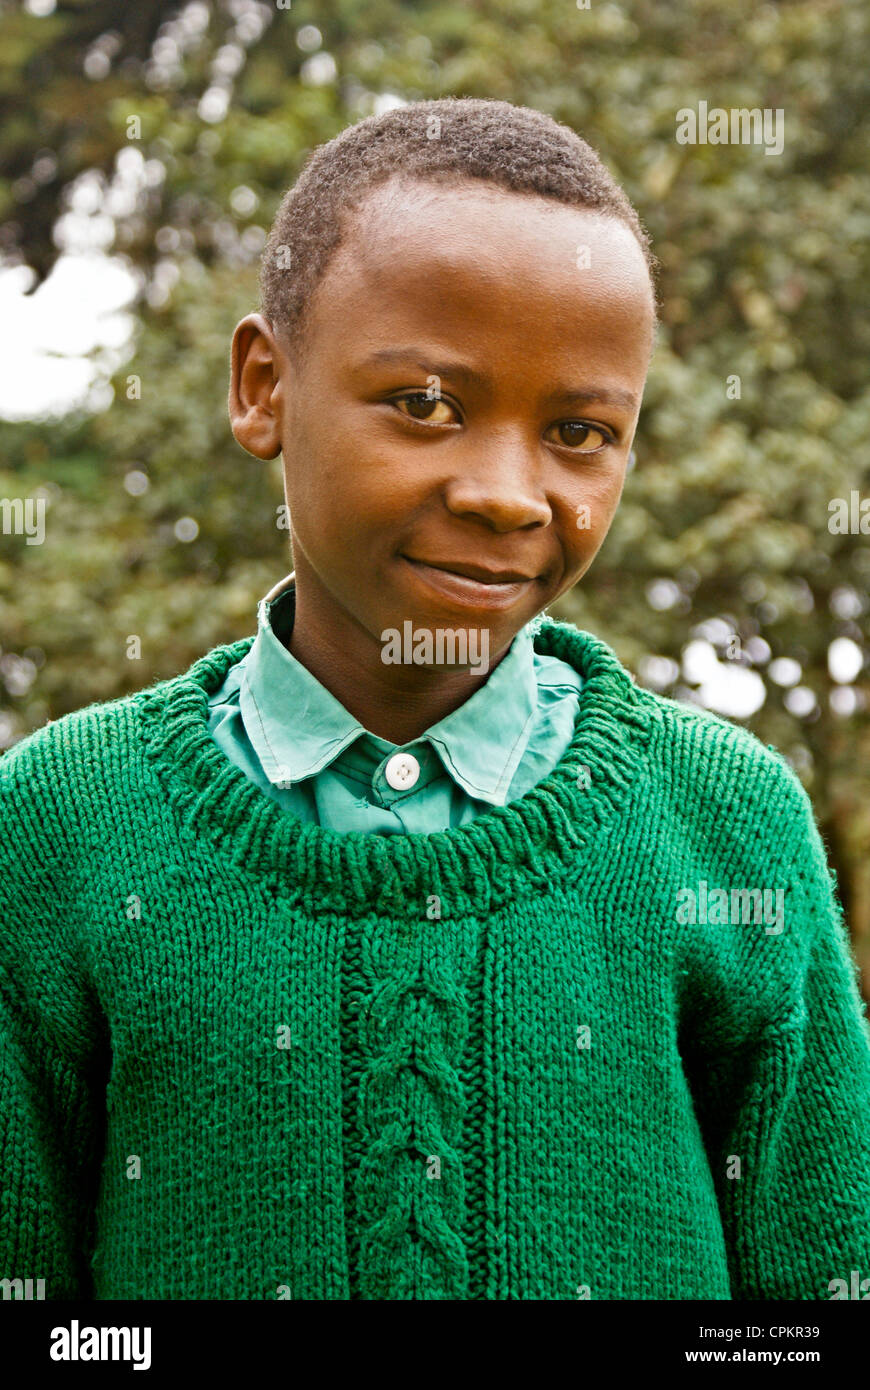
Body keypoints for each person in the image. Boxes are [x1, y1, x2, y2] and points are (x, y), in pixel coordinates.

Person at [1, 97, 868, 1302]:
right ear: (264, 388)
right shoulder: (59, 825)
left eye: (579, 430)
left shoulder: (729, 825)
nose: (511, 494)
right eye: (426, 405)